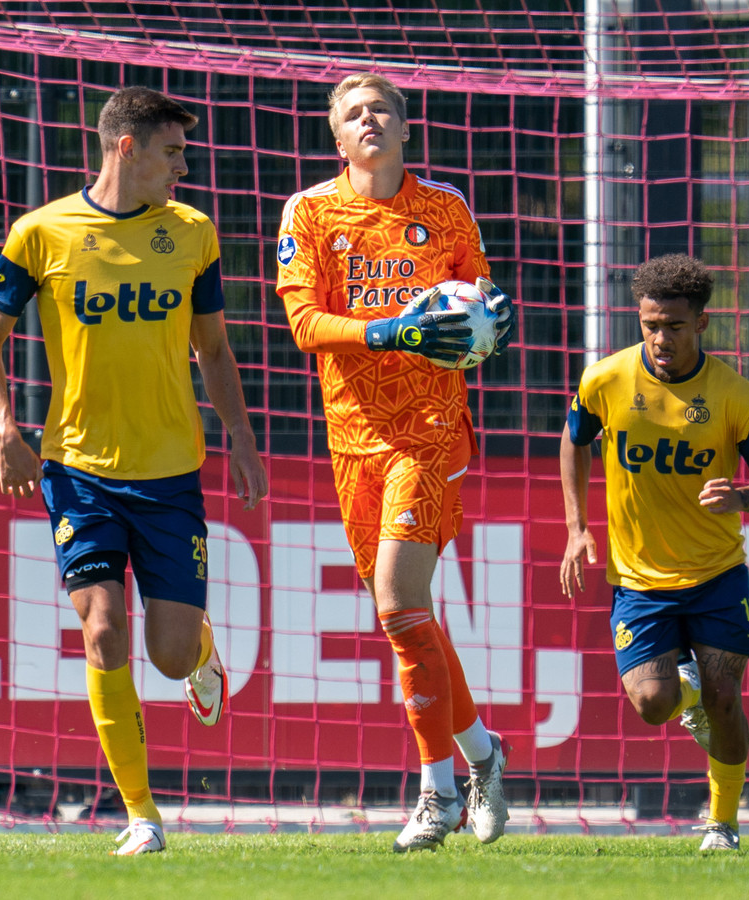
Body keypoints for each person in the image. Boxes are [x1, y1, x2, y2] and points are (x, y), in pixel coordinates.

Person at [0, 87, 269, 855]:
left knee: (167, 658)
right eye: (173, 151)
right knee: (102, 632)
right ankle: (142, 815)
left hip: (170, 474)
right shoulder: (41, 233)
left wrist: (238, 433)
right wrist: (6, 431)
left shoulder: (193, 232)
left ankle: (199, 649)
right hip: (77, 470)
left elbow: (213, 348)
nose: (184, 166)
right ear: (126, 147)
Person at [274, 73, 515, 853]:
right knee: (406, 616)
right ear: (336, 139)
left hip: (432, 430)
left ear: (405, 128)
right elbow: (305, 323)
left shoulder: (444, 208)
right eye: (352, 113)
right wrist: (390, 332)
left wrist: (489, 318)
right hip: (352, 438)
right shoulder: (309, 212)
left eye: (380, 108)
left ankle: (434, 794)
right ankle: (484, 755)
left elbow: (480, 295)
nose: (367, 119)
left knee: (397, 599)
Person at [559, 254, 749, 853]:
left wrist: (743, 495)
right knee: (653, 703)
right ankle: (683, 690)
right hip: (638, 579)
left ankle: (723, 823)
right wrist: (576, 527)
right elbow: (574, 440)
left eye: (675, 327)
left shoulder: (736, 396)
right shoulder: (605, 380)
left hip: (716, 575)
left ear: (702, 324)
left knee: (725, 700)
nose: (661, 339)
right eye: (650, 325)